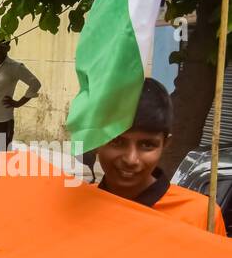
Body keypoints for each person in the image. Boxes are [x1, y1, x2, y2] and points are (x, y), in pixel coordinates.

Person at [93, 78, 226, 234]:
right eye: (117, 142)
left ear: (165, 144)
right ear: (96, 141)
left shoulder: (201, 215)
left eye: (147, 145)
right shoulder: (74, 205)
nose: (131, 159)